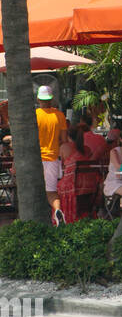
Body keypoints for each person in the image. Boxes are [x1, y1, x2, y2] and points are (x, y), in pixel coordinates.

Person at [35, 84, 68, 223]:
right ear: (51, 99)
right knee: (51, 191)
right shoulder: (59, 115)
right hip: (53, 158)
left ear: (38, 99)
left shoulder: (34, 115)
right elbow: (64, 140)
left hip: (36, 159)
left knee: (35, 190)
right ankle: (57, 210)